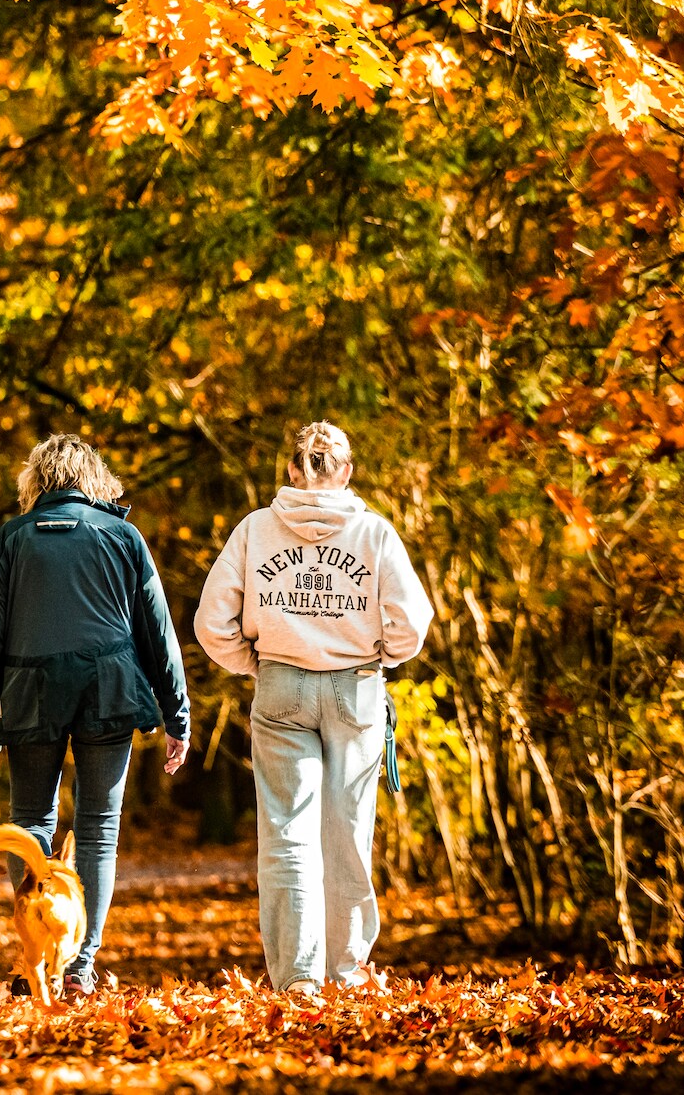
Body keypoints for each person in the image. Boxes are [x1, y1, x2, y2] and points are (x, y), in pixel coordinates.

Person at [193, 421, 432, 994]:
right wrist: (378, 657)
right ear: (346, 471)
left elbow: (210, 622)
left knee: (286, 833)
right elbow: (412, 623)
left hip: (281, 687)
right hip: (357, 688)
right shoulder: (374, 533)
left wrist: (257, 663)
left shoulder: (255, 531)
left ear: (293, 470)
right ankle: (345, 973)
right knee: (348, 832)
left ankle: (298, 977)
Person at [0, 433, 192, 996]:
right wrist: (176, 715)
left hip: (30, 689)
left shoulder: (12, 539)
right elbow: (158, 632)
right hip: (108, 689)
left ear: (37, 481)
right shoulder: (123, 536)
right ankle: (81, 964)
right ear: (94, 480)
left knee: (31, 821)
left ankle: (38, 955)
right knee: (98, 828)